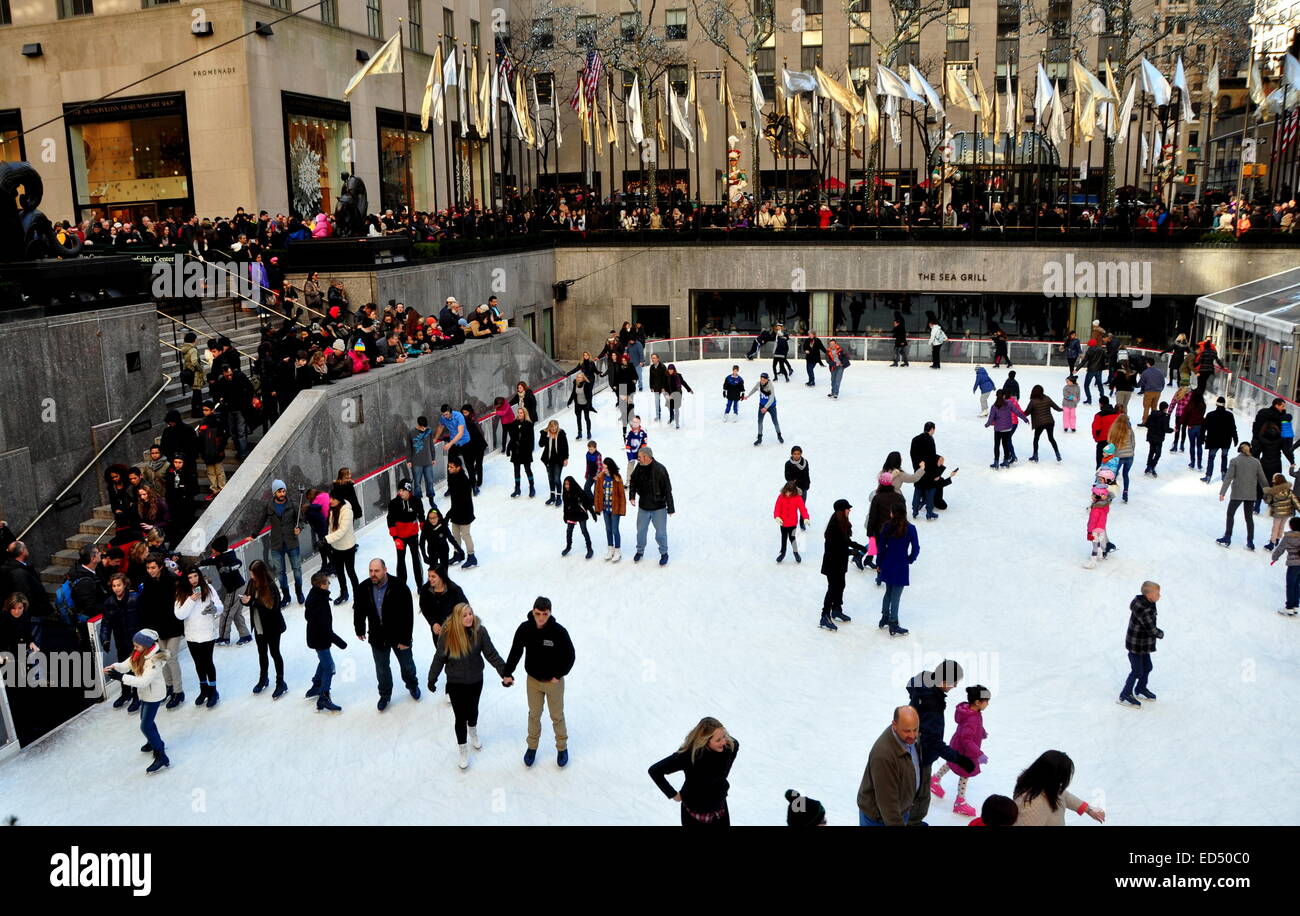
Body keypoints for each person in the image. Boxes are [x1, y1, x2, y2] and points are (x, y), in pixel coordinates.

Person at [427, 601, 511, 769]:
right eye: (464, 615)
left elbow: (491, 654)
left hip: (475, 680)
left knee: (473, 710)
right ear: (458, 618)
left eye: (470, 614)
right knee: (460, 717)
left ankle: (473, 731)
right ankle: (463, 749)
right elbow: (439, 657)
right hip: (456, 683)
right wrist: (432, 678)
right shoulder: (448, 634)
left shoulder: (480, 631)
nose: (469, 617)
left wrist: (505, 673)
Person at [503, 596, 576, 768]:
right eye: (538, 613)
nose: (541, 617)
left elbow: (570, 655)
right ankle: (532, 747)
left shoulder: (559, 632)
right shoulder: (525, 629)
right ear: (533, 611)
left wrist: (558, 674)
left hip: (553, 683)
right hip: (533, 682)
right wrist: (508, 672)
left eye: (545, 614)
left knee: (557, 716)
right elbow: (516, 651)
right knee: (534, 715)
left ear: (550, 613)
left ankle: (562, 747)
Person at [906, 659, 976, 826]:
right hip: (921, 753)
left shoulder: (924, 680)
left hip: (911, 744)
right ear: (943, 681)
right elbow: (933, 741)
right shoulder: (932, 704)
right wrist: (959, 759)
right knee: (921, 795)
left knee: (914, 788)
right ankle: (913, 822)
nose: (955, 687)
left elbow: (910, 684)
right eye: (953, 683)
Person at [354, 558, 420, 712]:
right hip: (377, 636)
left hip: (398, 635)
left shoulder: (399, 586)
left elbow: (407, 615)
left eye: (376, 571)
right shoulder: (364, 587)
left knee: (407, 665)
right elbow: (359, 610)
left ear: (385, 570)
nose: (373, 574)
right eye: (371, 571)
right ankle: (385, 695)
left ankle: (412, 685)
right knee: (382, 669)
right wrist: (359, 628)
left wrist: (405, 639)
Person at [648, 717, 740, 827]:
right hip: (694, 816)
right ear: (705, 740)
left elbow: (723, 770)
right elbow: (655, 770)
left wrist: (720, 780)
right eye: (718, 740)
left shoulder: (730, 747)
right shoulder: (689, 756)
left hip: (720, 812)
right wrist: (673, 794)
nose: (724, 742)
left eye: (724, 736)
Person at [102, 629, 172, 773]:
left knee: (145, 725)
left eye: (137, 645)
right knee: (146, 721)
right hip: (145, 694)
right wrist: (114, 667)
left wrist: (120, 678)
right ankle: (154, 742)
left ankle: (161, 755)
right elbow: (126, 665)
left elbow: (143, 681)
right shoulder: (138, 653)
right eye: (134, 644)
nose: (135, 647)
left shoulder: (155, 660)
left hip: (154, 695)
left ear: (146, 645)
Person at [930, 685, 991, 818]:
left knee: (951, 762)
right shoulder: (972, 718)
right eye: (987, 700)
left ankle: (935, 779)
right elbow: (967, 739)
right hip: (966, 751)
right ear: (978, 702)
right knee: (966, 771)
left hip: (957, 745)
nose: (988, 703)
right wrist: (979, 754)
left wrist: (982, 732)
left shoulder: (970, 711)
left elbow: (975, 726)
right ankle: (960, 802)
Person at [856, 706, 922, 826]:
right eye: (907, 731)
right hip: (880, 819)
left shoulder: (909, 738)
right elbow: (888, 805)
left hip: (901, 810)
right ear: (894, 725)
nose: (913, 736)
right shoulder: (883, 756)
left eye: (915, 729)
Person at [137, 554, 186, 709]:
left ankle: (178, 691)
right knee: (161, 659)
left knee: (171, 658)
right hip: (157, 629)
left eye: (153, 567)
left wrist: (180, 624)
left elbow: (180, 602)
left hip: (173, 626)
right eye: (148, 568)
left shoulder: (172, 580)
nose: (150, 570)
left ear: (160, 566)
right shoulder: (147, 581)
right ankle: (169, 687)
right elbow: (145, 605)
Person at [1012, 751, 1106, 826]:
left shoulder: (1044, 786)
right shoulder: (1033, 804)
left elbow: (1065, 795)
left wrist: (1088, 810)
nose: (1062, 783)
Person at [174, 566, 221, 709]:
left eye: (195, 576)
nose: (193, 580)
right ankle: (204, 689)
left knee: (208, 662)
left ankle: (213, 690)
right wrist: (191, 600)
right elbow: (180, 614)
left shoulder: (208, 588)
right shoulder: (181, 592)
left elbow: (220, 605)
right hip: (192, 635)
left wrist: (214, 609)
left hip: (207, 633)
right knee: (198, 664)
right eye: (190, 577)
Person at [241, 559, 289, 698]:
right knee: (262, 653)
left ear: (259, 573)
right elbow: (248, 600)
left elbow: (273, 608)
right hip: (259, 626)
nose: (250, 575)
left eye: (252, 573)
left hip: (272, 627)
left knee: (275, 653)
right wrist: (244, 600)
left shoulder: (271, 586)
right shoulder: (251, 583)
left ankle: (281, 682)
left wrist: (253, 602)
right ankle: (263, 678)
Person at [252, 479, 304, 607]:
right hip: (276, 544)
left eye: (284, 491)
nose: (282, 493)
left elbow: (301, 520)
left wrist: (299, 528)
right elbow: (261, 520)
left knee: (297, 569)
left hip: (292, 542)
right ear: (274, 493)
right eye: (280, 491)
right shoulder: (269, 506)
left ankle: (299, 592)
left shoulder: (293, 504)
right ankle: (286, 596)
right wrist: (254, 534)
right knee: (280, 573)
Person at [303, 571, 347, 712]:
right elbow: (325, 628)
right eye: (327, 582)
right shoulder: (319, 602)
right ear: (322, 586)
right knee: (329, 667)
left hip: (317, 637)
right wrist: (340, 642)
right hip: (320, 639)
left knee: (324, 661)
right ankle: (324, 697)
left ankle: (317, 685)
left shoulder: (315, 596)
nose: (329, 584)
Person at [819, 499, 863, 631]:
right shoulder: (834, 526)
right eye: (847, 508)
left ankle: (836, 609)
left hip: (840, 562)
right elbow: (836, 547)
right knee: (832, 588)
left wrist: (858, 546)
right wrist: (851, 551)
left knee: (840, 585)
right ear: (841, 510)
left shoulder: (842, 523)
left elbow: (846, 541)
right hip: (832, 563)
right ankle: (824, 615)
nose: (849, 510)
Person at [876, 507, 920, 636]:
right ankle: (893, 622)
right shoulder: (910, 528)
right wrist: (910, 559)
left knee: (888, 592)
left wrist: (879, 563)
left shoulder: (887, 527)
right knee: (896, 595)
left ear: (892, 514)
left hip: (888, 563)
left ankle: (885, 617)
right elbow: (916, 548)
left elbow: (881, 547)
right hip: (901, 564)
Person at [629, 447, 674, 566]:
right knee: (641, 532)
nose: (638, 459)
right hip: (643, 507)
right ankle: (640, 551)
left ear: (647, 457)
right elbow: (632, 481)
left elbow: (667, 489)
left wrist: (670, 507)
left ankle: (664, 553)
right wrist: (632, 496)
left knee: (660, 533)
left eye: (640, 457)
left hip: (659, 508)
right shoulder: (639, 467)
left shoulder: (660, 469)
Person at [1218, 443, 1269, 549]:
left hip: (1237, 493)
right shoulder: (1256, 462)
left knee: (1230, 514)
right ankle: (1250, 541)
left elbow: (1228, 478)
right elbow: (1262, 479)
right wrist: (1268, 491)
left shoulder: (1235, 461)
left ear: (1239, 450)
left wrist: (1222, 492)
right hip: (1251, 494)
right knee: (1249, 517)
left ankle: (1227, 537)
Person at [324, 488, 360, 605]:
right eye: (331, 498)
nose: (331, 501)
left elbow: (342, 531)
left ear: (339, 499)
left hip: (348, 547)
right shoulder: (332, 510)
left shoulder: (347, 512)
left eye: (333, 499)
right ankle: (344, 593)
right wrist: (329, 542)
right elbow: (331, 528)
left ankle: (357, 597)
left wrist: (326, 539)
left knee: (351, 572)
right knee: (339, 572)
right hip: (336, 547)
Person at [386, 479, 424, 584]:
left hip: (413, 535)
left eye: (403, 490)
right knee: (401, 560)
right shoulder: (394, 503)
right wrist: (396, 538)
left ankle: (420, 584)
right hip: (400, 537)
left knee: (416, 559)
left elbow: (421, 515)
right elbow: (390, 520)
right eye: (399, 490)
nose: (400, 492)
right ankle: (401, 584)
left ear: (409, 490)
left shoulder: (416, 501)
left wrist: (423, 527)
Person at [446, 456, 479, 569]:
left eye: (451, 467)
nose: (449, 469)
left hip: (465, 512)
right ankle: (457, 554)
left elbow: (461, 500)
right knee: (455, 534)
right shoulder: (452, 477)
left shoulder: (463, 481)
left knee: (465, 534)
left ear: (458, 468)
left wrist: (448, 514)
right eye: (448, 466)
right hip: (456, 511)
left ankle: (471, 556)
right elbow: (454, 499)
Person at [1084, 469, 1120, 568]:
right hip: (1095, 521)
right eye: (1098, 479)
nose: (1099, 481)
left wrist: (1093, 530)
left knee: (1095, 541)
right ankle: (1100, 552)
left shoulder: (1105, 500)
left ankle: (1093, 561)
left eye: (1101, 480)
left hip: (1097, 524)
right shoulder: (1100, 499)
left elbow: (1112, 492)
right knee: (1096, 541)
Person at [985, 390, 1028, 469]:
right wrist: (1024, 419)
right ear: (1004, 396)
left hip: (998, 429)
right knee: (1005, 445)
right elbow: (1017, 412)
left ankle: (996, 462)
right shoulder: (1009, 403)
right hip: (1008, 428)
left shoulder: (994, 406)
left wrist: (987, 424)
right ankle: (1006, 462)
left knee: (997, 445)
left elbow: (991, 418)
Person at [1201, 396, 1239, 482]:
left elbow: (1203, 428)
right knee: (1224, 457)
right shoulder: (1229, 415)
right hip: (1225, 441)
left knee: (1211, 458)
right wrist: (1235, 439)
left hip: (1213, 441)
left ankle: (1208, 476)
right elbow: (1233, 428)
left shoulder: (1210, 415)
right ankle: (1223, 474)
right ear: (1224, 405)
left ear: (1216, 404)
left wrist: (1202, 438)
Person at [560, 476, 599, 559]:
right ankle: (568, 546)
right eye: (565, 484)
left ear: (572, 484)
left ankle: (589, 548)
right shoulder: (565, 493)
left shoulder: (579, 491)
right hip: (572, 514)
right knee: (569, 531)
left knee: (584, 530)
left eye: (568, 484)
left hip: (581, 513)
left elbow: (587, 504)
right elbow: (565, 506)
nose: (566, 486)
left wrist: (593, 514)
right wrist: (565, 515)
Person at [773, 481, 809, 564]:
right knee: (784, 538)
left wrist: (806, 518)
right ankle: (782, 553)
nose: (788, 493)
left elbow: (803, 509)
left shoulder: (798, 498)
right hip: (783, 523)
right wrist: (777, 517)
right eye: (786, 491)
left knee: (792, 538)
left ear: (794, 491)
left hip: (792, 523)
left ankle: (795, 552)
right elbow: (777, 508)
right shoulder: (781, 497)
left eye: (790, 492)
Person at [1269, 517, 1300, 616]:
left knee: (1290, 585)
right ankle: (1295, 606)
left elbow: (1280, 549)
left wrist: (1274, 558)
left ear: (1291, 526)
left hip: (1293, 565)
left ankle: (1289, 607)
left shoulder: (1288, 537)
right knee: (1297, 585)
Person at [1024, 385, 1063, 462]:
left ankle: (1035, 456)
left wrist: (1017, 413)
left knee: (1036, 439)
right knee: (1051, 438)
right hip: (1050, 422)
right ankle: (1058, 454)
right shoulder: (1047, 398)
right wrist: (1062, 409)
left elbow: (1026, 413)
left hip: (1040, 423)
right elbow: (1056, 407)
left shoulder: (1033, 401)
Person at [538, 420, 570, 507]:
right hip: (548, 460)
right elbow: (541, 444)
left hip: (559, 460)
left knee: (556, 478)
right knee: (550, 479)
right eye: (552, 427)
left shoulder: (561, 433)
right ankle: (552, 497)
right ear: (549, 427)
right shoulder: (546, 434)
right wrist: (544, 435)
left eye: (555, 427)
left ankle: (559, 497)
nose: (554, 429)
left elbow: (565, 447)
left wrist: (566, 458)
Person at [406, 416, 437, 503]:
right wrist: (408, 460)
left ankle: (431, 499)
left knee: (430, 481)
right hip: (416, 463)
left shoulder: (429, 430)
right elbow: (408, 448)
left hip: (428, 461)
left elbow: (431, 444)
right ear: (418, 425)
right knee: (417, 483)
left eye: (425, 427)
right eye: (422, 427)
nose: (424, 429)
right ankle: (418, 501)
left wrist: (433, 457)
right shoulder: (411, 433)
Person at [507, 406, 537, 498]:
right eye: (519, 413)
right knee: (516, 470)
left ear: (524, 414)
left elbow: (531, 439)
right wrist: (509, 448)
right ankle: (517, 488)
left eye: (521, 413)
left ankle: (531, 487)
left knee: (527, 469)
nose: (519, 414)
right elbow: (512, 437)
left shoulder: (529, 424)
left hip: (525, 451)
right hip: (516, 451)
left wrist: (530, 450)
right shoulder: (514, 423)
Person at [1107, 413, 1137, 501]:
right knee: (1125, 474)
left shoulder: (1114, 430)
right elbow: (1133, 443)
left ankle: (1111, 494)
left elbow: (1110, 444)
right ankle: (1125, 493)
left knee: (1114, 475)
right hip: (1129, 456)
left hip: (1118, 456)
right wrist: (1131, 452)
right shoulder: (1130, 431)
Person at [748, 372, 783, 446]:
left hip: (771, 406)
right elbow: (754, 389)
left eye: (764, 379)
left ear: (767, 380)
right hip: (762, 405)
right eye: (761, 379)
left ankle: (779, 435)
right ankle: (759, 438)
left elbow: (771, 399)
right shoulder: (759, 383)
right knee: (759, 421)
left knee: (775, 421)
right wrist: (748, 396)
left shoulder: (770, 386)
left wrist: (765, 407)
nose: (762, 380)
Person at [784, 446, 811, 530]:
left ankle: (802, 522)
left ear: (801, 454)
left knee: (802, 506)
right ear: (792, 454)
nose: (796, 456)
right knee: (792, 507)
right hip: (792, 488)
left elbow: (806, 475)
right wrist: (795, 481)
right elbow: (788, 477)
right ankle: (791, 522)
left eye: (798, 454)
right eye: (795, 454)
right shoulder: (788, 464)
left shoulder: (805, 462)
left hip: (803, 488)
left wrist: (797, 480)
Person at [1144, 401, 1171, 477]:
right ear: (1165, 408)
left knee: (1151, 452)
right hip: (1159, 438)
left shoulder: (1152, 414)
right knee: (1158, 454)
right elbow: (1166, 429)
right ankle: (1152, 466)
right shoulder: (1165, 417)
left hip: (1151, 436)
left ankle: (1148, 466)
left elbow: (1146, 424)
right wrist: (1172, 430)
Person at [1090, 396, 1120, 465]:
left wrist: (1097, 439)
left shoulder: (1099, 415)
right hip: (1114, 440)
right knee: (1112, 460)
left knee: (1100, 461)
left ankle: (1100, 474)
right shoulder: (1117, 414)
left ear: (1101, 404)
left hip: (1102, 441)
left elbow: (1096, 429)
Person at [567, 371, 596, 440]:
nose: (579, 378)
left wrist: (589, 404)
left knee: (587, 418)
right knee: (578, 419)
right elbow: (573, 393)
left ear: (583, 378)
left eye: (580, 377)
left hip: (585, 404)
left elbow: (589, 395)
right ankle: (579, 433)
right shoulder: (575, 384)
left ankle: (589, 432)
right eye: (578, 377)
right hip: (578, 405)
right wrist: (569, 401)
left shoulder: (586, 384)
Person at [664, 364, 694, 429]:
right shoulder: (666, 376)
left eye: (671, 369)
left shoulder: (678, 376)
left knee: (676, 408)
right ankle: (672, 417)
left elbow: (683, 383)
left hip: (677, 394)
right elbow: (665, 387)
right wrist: (667, 395)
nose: (670, 371)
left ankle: (677, 423)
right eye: (669, 369)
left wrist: (689, 389)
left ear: (674, 369)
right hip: (669, 394)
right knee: (670, 407)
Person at [1137, 357, 1165, 424]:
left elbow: (1141, 383)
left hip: (1149, 392)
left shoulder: (1145, 372)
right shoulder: (1160, 372)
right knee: (1154, 407)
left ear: (1148, 363)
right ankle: (1154, 421)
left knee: (1146, 407)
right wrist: (1160, 390)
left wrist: (1135, 385)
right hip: (1158, 392)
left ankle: (1145, 422)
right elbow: (1163, 383)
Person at [649, 353, 669, 421]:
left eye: (654, 358)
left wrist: (663, 387)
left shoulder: (663, 367)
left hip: (664, 387)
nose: (653, 359)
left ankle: (672, 414)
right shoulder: (651, 367)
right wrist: (651, 386)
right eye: (652, 358)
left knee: (668, 401)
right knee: (656, 402)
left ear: (658, 359)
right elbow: (651, 378)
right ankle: (658, 415)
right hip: (656, 387)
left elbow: (665, 378)